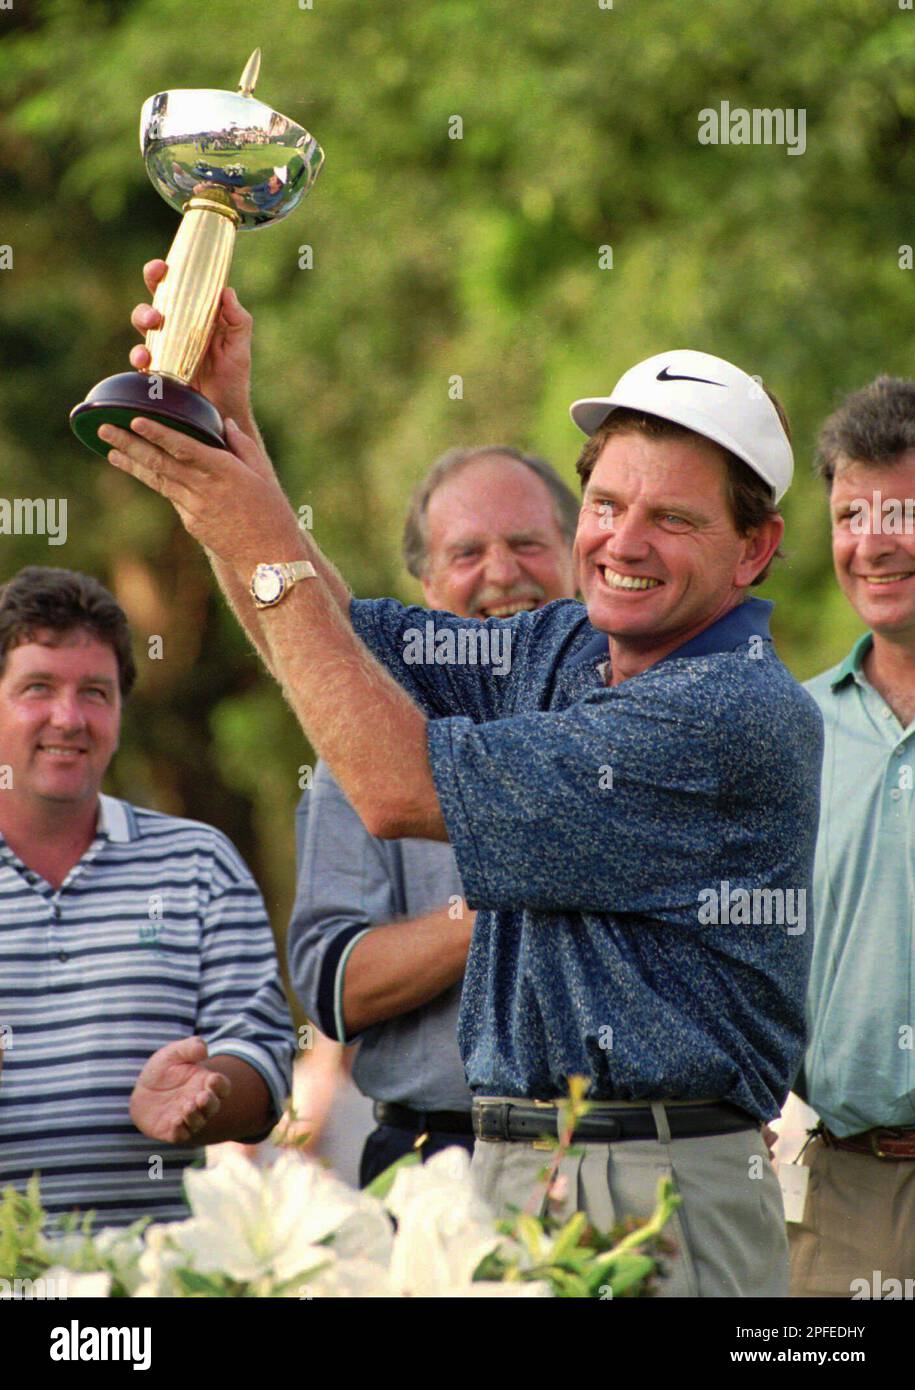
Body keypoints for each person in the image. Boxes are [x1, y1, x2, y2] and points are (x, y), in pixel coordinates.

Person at [106, 271, 822, 1295]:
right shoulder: (567, 643)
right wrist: (232, 431)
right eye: (608, 502)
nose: (620, 540)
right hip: (508, 1168)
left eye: (671, 519)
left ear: (755, 548)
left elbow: (398, 785)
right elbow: (338, 641)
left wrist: (247, 519)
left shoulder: (731, 713)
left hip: (661, 1184)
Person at [288, 444, 578, 1185]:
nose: (503, 572)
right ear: (424, 582)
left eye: (525, 544)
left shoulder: (637, 718)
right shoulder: (364, 747)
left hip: (623, 1158)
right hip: (435, 1162)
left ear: (575, 557)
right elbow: (333, 989)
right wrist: (502, 906)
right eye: (468, 552)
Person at [0, 566, 295, 1227]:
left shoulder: (197, 863)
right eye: (37, 688)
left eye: (96, 693)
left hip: (153, 1274)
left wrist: (205, 1096)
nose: (69, 718)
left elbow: (263, 1054)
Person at [787, 377, 915, 1297]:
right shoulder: (787, 733)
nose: (870, 542)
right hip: (845, 1190)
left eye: (899, 511)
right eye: (848, 513)